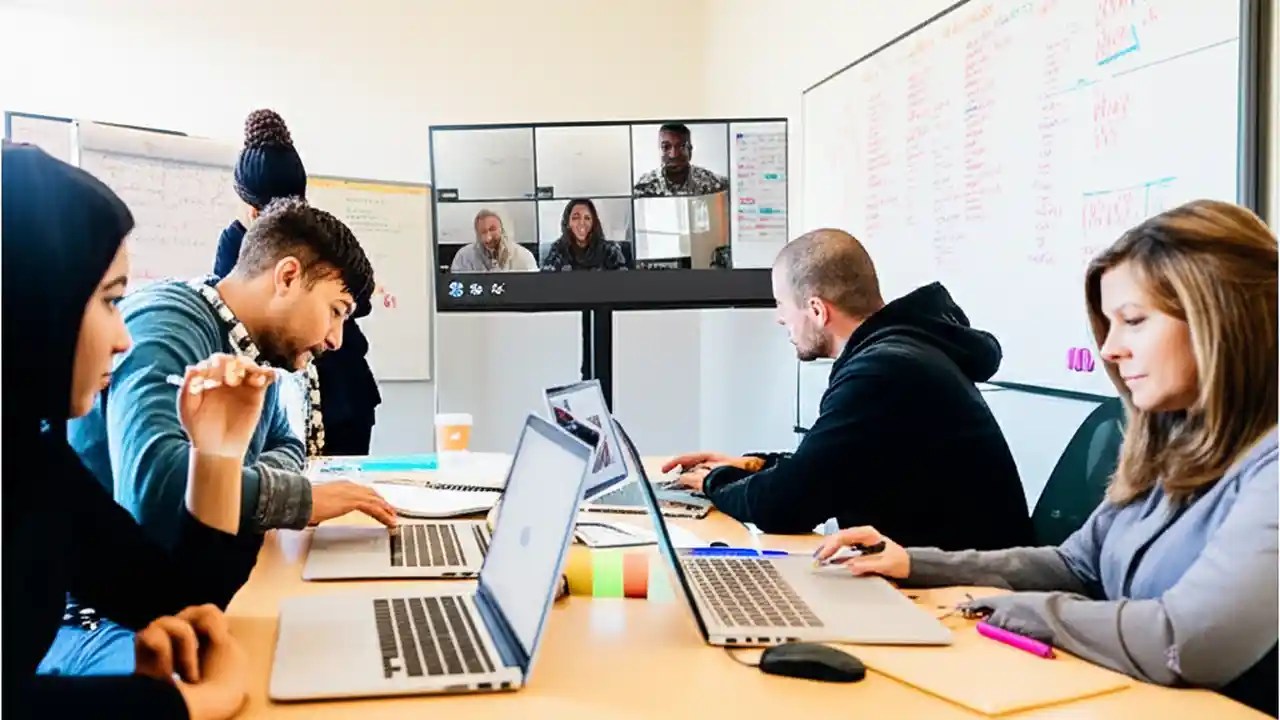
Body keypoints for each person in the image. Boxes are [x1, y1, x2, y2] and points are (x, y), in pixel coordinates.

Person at [815, 200, 1278, 716]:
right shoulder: (1175, 443)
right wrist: (914, 563)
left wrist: (1023, 611)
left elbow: (1187, 641)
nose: (1111, 349)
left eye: (1133, 321)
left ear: (1222, 321)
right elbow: (1076, 565)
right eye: (1109, 324)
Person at [59, 196, 398, 676]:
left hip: (174, 596)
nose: (336, 340)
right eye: (337, 310)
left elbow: (289, 445)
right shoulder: (168, 321)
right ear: (286, 277)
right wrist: (300, 500)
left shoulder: (255, 352)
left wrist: (240, 477)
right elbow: (159, 486)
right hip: (94, 622)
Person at [3, 141, 264, 719]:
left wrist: (216, 451)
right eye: (108, 300)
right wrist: (180, 706)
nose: (123, 340)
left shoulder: (30, 456)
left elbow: (182, 604)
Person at [667, 229, 1033, 550]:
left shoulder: (883, 371)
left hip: (959, 596)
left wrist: (716, 481)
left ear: (816, 310)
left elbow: (788, 505)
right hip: (934, 571)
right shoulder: (899, 355)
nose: (779, 318)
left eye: (781, 304)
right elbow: (831, 466)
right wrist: (751, 466)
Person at [211, 108, 382, 459]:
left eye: (340, 313)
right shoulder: (235, 251)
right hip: (294, 401)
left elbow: (359, 298)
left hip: (342, 398)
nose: (333, 337)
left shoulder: (316, 238)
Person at [632, 123, 728, 198]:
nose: (674, 154)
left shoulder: (714, 185)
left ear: (690, 150)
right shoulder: (643, 188)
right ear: (659, 150)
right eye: (666, 147)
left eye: (682, 147)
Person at [540, 199, 629, 271]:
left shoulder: (610, 250)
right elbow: (547, 284)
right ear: (568, 223)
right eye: (576, 217)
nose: (581, 223)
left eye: (587, 218)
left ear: (594, 223)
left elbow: (624, 283)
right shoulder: (558, 250)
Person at [450, 209, 537, 272]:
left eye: (492, 229)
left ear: (503, 229)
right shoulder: (464, 257)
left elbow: (534, 288)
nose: (488, 238)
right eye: (483, 232)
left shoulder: (524, 257)